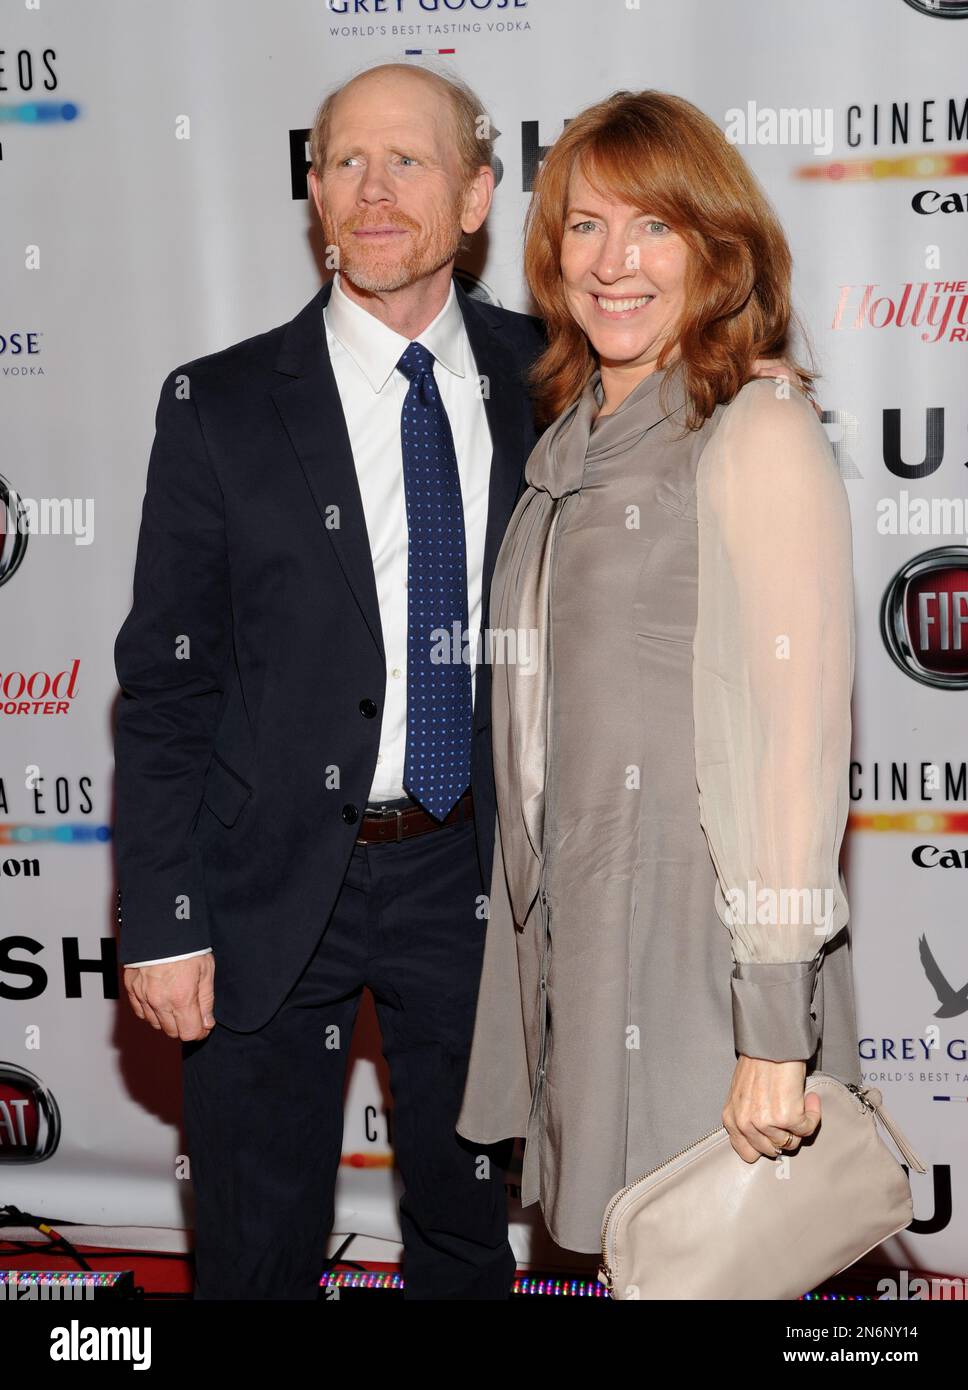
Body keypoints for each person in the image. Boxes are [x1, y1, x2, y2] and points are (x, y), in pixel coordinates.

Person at [112, 61, 545, 1300]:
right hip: (261, 870)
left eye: (408, 160)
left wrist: (763, 395)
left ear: (474, 197)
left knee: (469, 1246)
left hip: (472, 874)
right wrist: (164, 911)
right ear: (311, 193)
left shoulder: (554, 380)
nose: (370, 189)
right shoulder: (220, 404)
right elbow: (166, 681)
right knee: (253, 1251)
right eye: (343, 161)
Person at [456, 89, 863, 1262]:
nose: (612, 261)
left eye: (653, 228)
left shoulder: (751, 429)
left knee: (697, 1263)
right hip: (582, 930)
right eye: (584, 226)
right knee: (633, 1259)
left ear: (717, 249)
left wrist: (772, 1029)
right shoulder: (572, 437)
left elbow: (794, 746)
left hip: (697, 953)